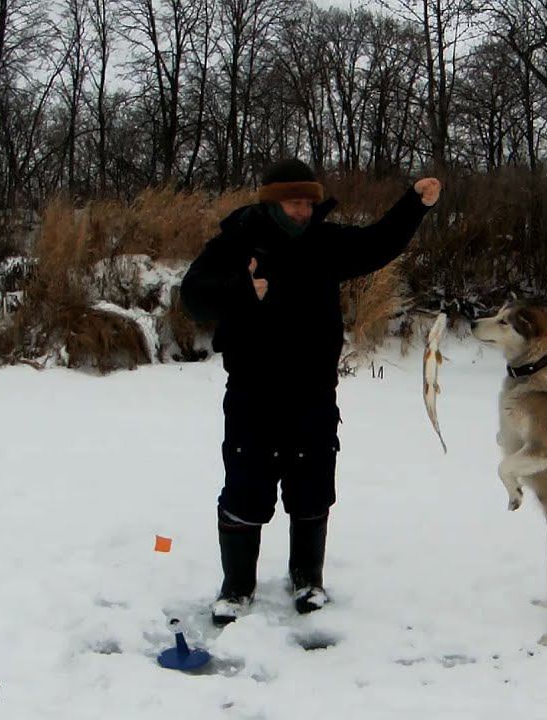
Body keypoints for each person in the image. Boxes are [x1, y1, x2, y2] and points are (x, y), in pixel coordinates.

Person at [180, 158, 440, 625]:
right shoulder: (237, 240)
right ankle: (237, 587)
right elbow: (194, 297)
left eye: (307, 201)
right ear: (272, 200)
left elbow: (377, 243)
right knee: (245, 488)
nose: (302, 210)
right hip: (252, 393)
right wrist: (242, 289)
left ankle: (307, 578)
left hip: (313, 392)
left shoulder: (325, 242)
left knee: (312, 487)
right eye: (293, 201)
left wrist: (413, 204)